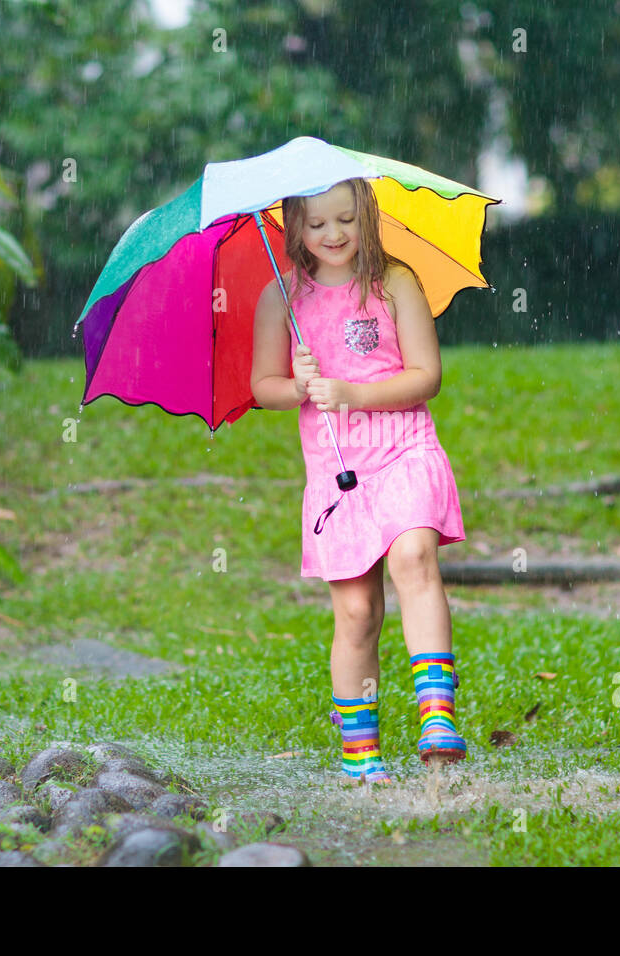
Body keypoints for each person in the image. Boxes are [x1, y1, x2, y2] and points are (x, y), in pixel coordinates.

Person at [250, 178, 468, 785]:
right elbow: (261, 387)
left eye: (345, 219)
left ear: (366, 215)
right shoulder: (280, 299)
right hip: (337, 471)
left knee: (417, 554)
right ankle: (361, 750)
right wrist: (296, 386)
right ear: (294, 228)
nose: (333, 234)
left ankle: (436, 715)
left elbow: (427, 376)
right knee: (357, 612)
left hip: (402, 447)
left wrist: (354, 393)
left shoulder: (395, 283)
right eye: (316, 225)